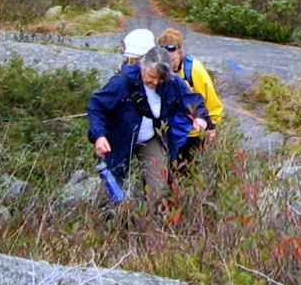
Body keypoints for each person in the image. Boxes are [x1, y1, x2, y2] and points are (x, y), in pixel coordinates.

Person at [88, 45, 209, 205]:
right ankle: (111, 216)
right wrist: (99, 136)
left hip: (151, 137)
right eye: (152, 76)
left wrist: (199, 117)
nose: (155, 82)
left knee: (158, 188)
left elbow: (192, 100)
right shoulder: (121, 83)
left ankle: (152, 217)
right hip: (119, 139)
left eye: (161, 78)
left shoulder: (172, 83)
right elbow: (96, 106)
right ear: (142, 66)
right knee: (113, 187)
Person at [157, 28, 223, 164]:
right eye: (165, 61)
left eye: (172, 60)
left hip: (193, 132)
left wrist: (211, 126)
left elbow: (210, 99)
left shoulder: (194, 69)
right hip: (168, 132)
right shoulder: (157, 70)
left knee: (187, 170)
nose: (169, 65)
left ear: (179, 52)